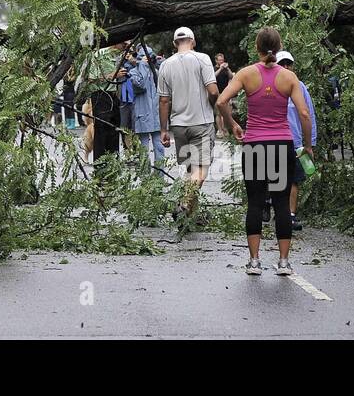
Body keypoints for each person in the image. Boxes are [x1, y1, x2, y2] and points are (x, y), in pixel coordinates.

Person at [216, 27, 313, 277]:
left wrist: (234, 125)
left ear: (256, 47)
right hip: (282, 146)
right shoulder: (290, 78)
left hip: (255, 145)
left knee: (256, 203)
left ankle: (255, 262)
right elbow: (304, 113)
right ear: (279, 47)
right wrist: (307, 145)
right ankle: (283, 262)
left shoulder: (246, 74)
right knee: (282, 203)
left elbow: (220, 101)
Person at [157, 27, 220, 219]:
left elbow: (164, 100)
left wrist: (163, 130)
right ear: (193, 41)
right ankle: (184, 204)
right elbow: (213, 91)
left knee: (191, 169)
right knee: (200, 171)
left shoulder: (165, 65)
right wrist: (214, 108)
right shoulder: (202, 59)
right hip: (201, 122)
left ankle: (191, 215)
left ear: (174, 44)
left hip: (179, 125)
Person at [276, 50, 316, 231]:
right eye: (281, 64)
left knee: (294, 180)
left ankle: (290, 215)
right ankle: (275, 208)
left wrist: (310, 143)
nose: (285, 67)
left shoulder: (300, 87)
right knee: (275, 178)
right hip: (274, 140)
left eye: (288, 64)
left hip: (296, 143)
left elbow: (308, 115)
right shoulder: (271, 85)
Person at [128, 44, 164, 164]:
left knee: (159, 146)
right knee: (144, 148)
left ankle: (159, 177)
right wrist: (143, 65)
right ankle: (146, 177)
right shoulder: (133, 72)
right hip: (142, 113)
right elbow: (140, 86)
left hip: (156, 113)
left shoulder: (156, 72)